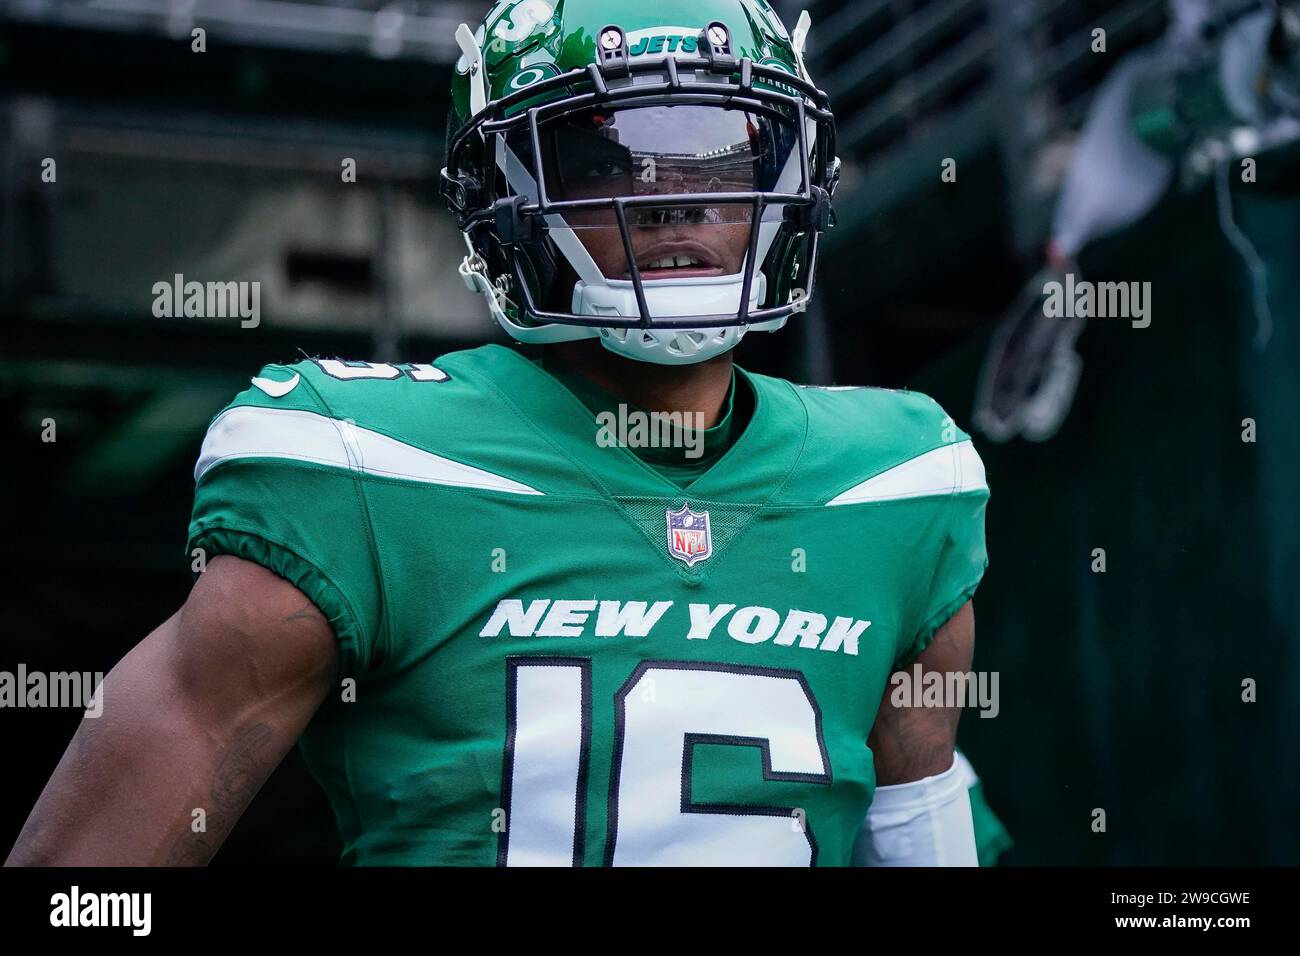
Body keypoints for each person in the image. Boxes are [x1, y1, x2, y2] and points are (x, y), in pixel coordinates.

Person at [7, 0, 1004, 866]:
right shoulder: (366, 464)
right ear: (502, 199)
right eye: (609, 152)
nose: (677, 193)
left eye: (722, 146)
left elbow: (919, 826)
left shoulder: (898, 482)